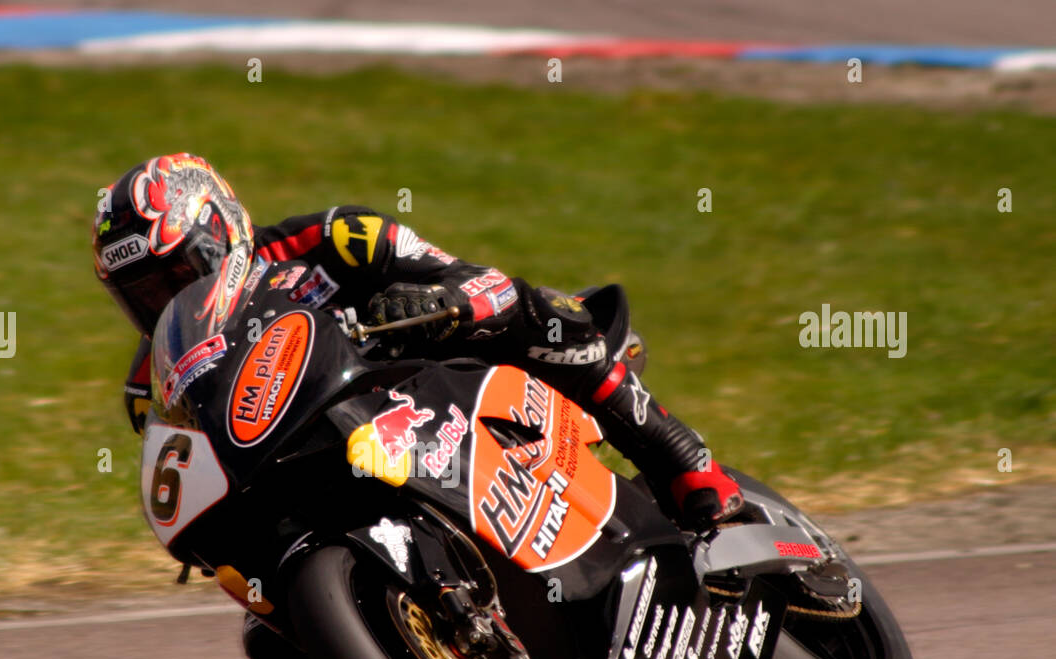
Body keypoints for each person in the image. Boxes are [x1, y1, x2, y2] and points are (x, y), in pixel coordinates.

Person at [93, 153, 743, 533]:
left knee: (535, 309)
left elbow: (476, 281)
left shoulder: (334, 238)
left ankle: (676, 452)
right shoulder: (152, 385)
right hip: (348, 477)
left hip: (452, 390)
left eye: (175, 274)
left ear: (222, 228)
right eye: (141, 294)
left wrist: (438, 303)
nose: (161, 301)